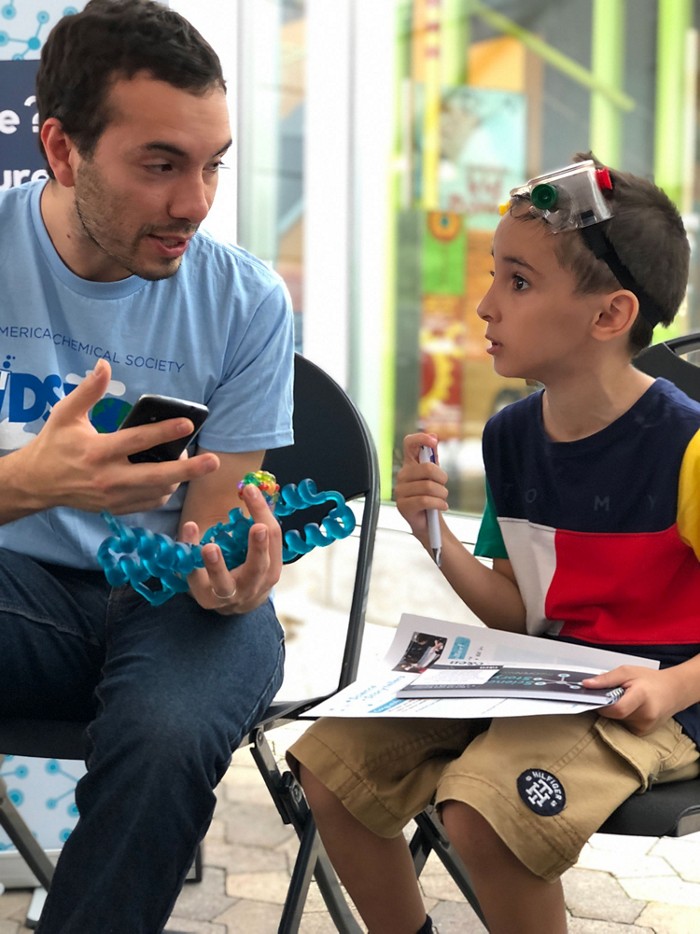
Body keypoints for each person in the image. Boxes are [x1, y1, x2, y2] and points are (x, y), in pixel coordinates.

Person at [288, 154, 700, 934]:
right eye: (493, 275)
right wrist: (433, 536)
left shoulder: (687, 447)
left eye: (517, 281)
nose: (483, 305)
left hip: (668, 705)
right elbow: (518, 613)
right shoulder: (513, 436)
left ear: (609, 316)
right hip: (546, 679)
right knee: (328, 766)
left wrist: (673, 688)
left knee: (480, 812)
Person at [0, 1, 294, 931]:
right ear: (62, 150)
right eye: (161, 164)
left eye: (212, 165)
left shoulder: (246, 300)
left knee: (167, 737)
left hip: (177, 612)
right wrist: (31, 483)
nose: (194, 203)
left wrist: (229, 576)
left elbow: (215, 515)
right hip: (21, 595)